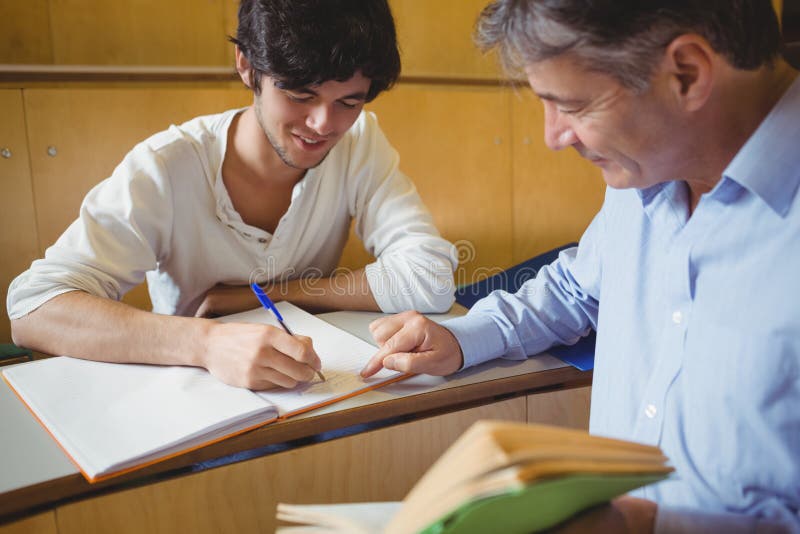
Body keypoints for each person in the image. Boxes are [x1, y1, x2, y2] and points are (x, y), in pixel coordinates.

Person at [361, 0, 800, 531]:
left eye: (572, 105)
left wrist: (644, 526)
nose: (553, 137)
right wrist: (465, 337)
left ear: (686, 73)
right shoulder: (647, 171)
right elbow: (578, 284)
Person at [7, 0, 456, 391]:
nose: (323, 124)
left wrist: (273, 295)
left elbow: (431, 278)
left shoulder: (359, 141)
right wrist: (205, 343)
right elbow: (33, 308)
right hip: (193, 399)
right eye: (301, 94)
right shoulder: (167, 166)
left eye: (349, 102)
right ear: (246, 65)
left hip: (307, 392)